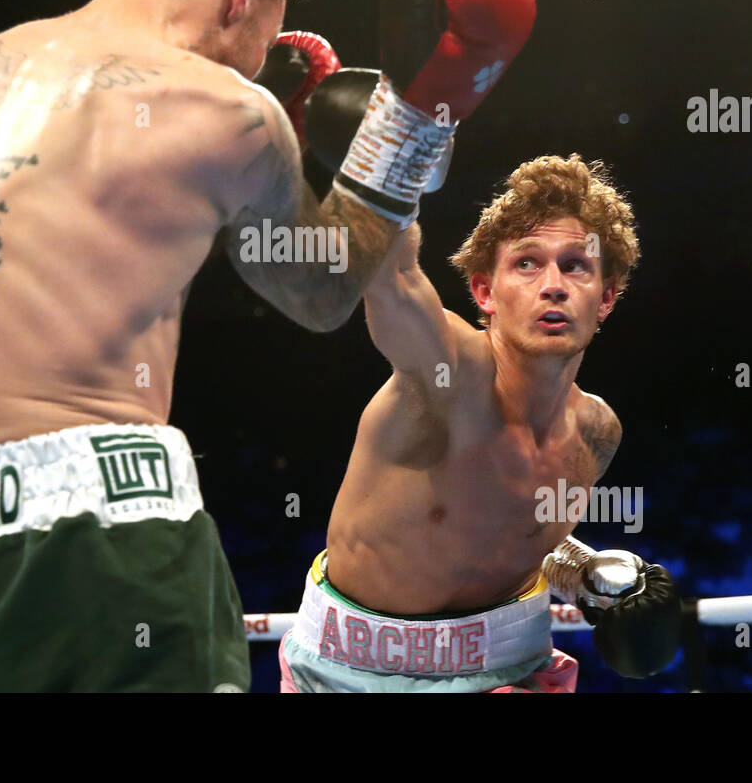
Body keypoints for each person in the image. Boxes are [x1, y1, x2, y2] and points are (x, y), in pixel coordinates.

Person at [0, 0, 413, 692]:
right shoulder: (224, 106)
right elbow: (323, 288)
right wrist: (407, 127)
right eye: (263, 37)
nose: (255, 67)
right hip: (93, 546)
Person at [278, 154, 682, 691]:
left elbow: (516, 526)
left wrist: (587, 576)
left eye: (576, 265)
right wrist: (400, 148)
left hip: (510, 669)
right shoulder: (446, 373)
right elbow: (389, 274)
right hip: (350, 675)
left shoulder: (595, 433)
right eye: (527, 263)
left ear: (606, 297)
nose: (554, 285)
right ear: (485, 292)